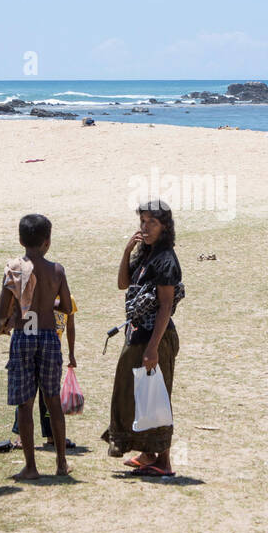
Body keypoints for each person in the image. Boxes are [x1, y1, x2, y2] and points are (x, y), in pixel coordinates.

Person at [101, 200, 184, 477]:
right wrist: (127, 250)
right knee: (136, 394)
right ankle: (148, 454)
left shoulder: (166, 260)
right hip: (137, 335)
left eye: (152, 223)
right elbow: (123, 284)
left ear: (165, 227)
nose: (145, 227)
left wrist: (152, 348)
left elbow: (165, 306)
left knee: (156, 397)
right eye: (143, 221)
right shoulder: (145, 254)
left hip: (155, 338)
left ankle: (164, 461)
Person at [5, 214, 77, 479]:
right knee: (53, 401)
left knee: (25, 404)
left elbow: (6, 305)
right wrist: (50, 304)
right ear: (47, 242)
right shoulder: (57, 271)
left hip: (24, 335)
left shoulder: (14, 269)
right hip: (47, 335)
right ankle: (60, 464)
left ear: (21, 240)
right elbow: (67, 307)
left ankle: (31, 467)